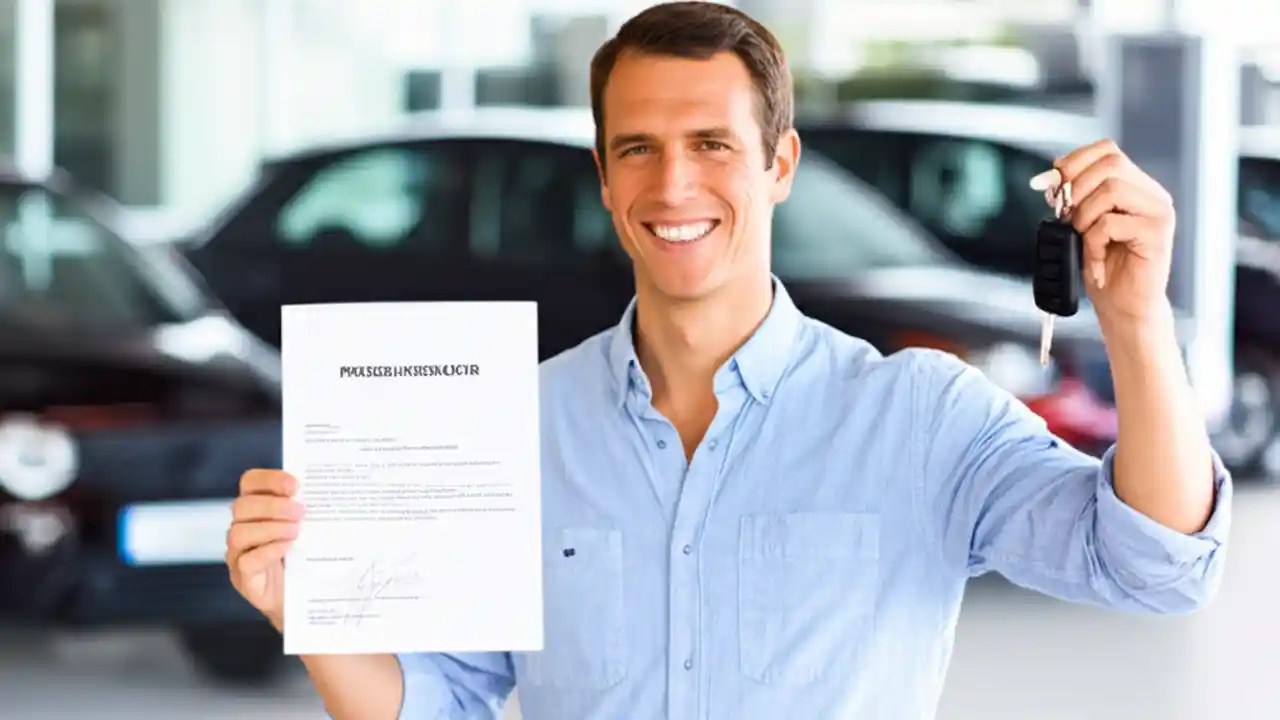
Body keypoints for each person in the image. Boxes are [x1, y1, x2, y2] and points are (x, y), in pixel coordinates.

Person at [224, 2, 1232, 718]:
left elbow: (1154, 569)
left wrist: (1136, 322)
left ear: (777, 164)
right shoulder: (511, 426)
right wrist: (307, 611)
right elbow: (441, 705)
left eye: (711, 142)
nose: (673, 184)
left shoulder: (920, 413)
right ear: (604, 179)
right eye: (637, 148)